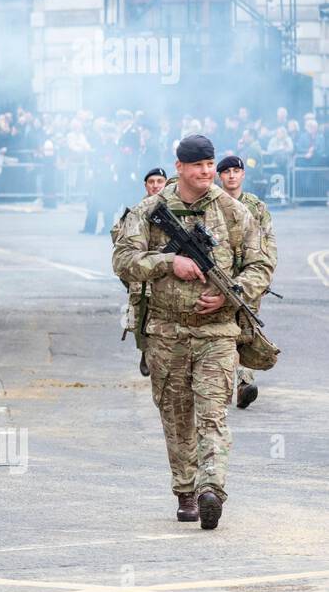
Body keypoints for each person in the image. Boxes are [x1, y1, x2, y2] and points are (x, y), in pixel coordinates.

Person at [112, 135, 273, 530]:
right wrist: (170, 263)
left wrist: (230, 294)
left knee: (213, 414)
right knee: (176, 415)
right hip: (166, 332)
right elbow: (123, 260)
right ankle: (185, 490)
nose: (205, 172)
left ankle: (211, 490)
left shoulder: (234, 213)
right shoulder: (150, 211)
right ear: (179, 167)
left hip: (217, 333)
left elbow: (261, 265)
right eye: (197, 165)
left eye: (210, 164)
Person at [217, 154, 277, 410]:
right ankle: (226, 382)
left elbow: (268, 243)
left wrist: (262, 277)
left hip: (248, 282)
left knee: (245, 332)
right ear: (220, 176)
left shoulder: (256, 206)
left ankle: (243, 382)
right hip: (218, 279)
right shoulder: (213, 204)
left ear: (243, 175)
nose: (231, 175)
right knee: (222, 333)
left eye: (235, 171)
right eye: (226, 171)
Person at [111, 167, 169, 376]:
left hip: (167, 269)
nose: (155, 185)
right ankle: (145, 351)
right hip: (142, 271)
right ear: (145, 186)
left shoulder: (175, 208)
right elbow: (120, 242)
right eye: (151, 182)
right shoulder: (136, 211)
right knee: (141, 314)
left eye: (159, 181)